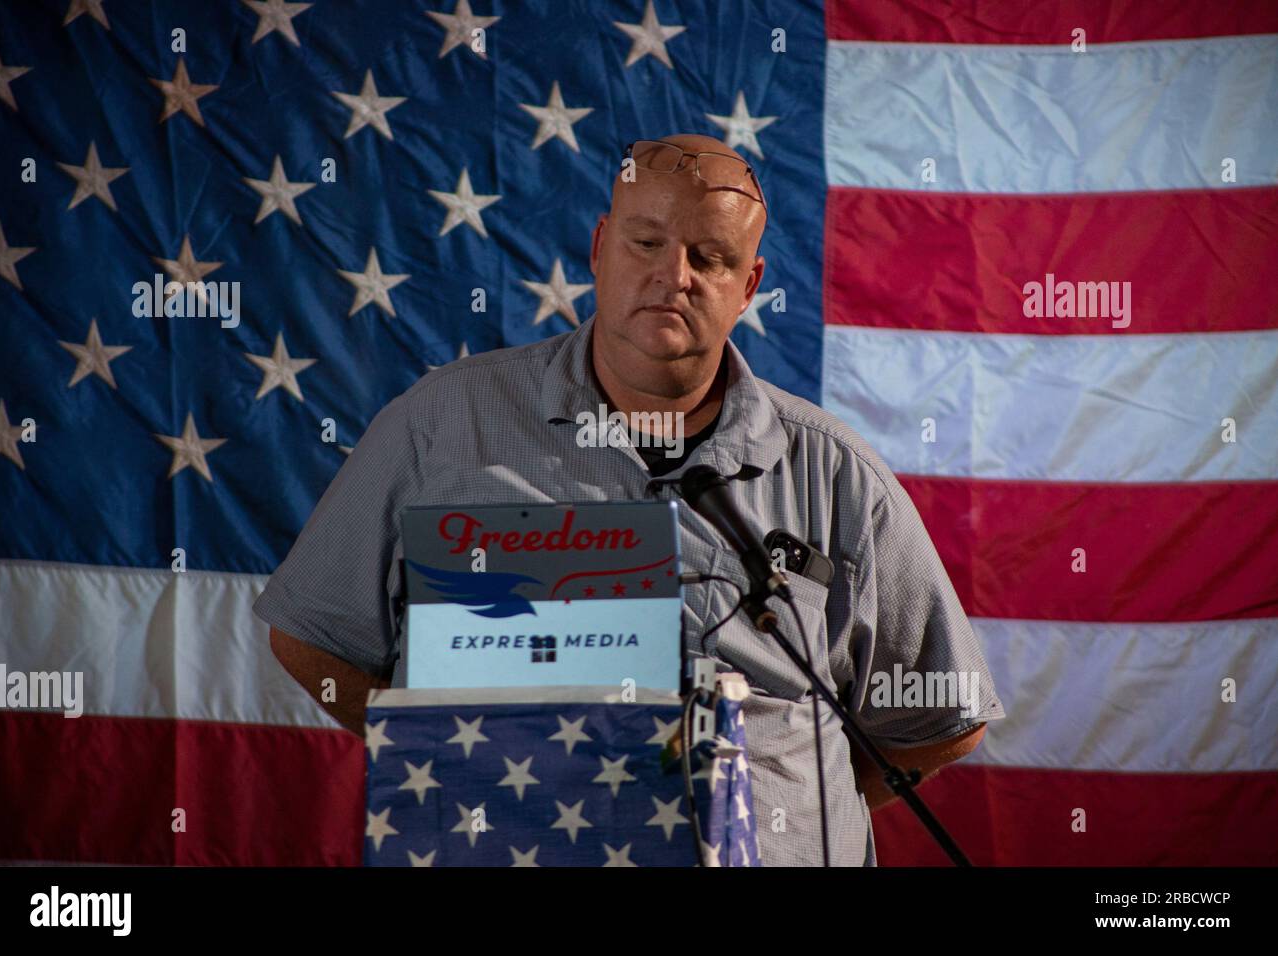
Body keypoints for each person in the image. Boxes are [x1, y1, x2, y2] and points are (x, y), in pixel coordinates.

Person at [254, 133, 1005, 866]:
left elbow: (944, 711)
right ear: (599, 250)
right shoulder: (442, 424)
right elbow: (312, 636)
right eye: (647, 244)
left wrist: (783, 811)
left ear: (748, 286)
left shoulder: (835, 473)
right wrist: (437, 754)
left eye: (710, 258)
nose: (674, 276)